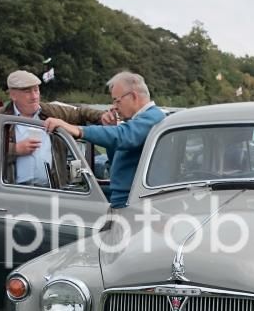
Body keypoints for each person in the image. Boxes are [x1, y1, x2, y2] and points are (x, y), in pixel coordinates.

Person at [0, 70, 112, 193]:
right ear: (13, 95)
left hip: (51, 192)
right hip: (13, 193)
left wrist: (102, 116)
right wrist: (15, 149)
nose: (34, 96)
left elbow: (79, 113)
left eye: (36, 90)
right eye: (28, 92)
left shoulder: (50, 112)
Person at [44, 71, 165, 208]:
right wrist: (111, 129)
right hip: (127, 198)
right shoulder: (139, 121)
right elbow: (117, 160)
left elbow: (124, 136)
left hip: (133, 201)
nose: (114, 106)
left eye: (117, 100)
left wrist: (78, 130)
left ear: (133, 96)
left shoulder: (153, 117)